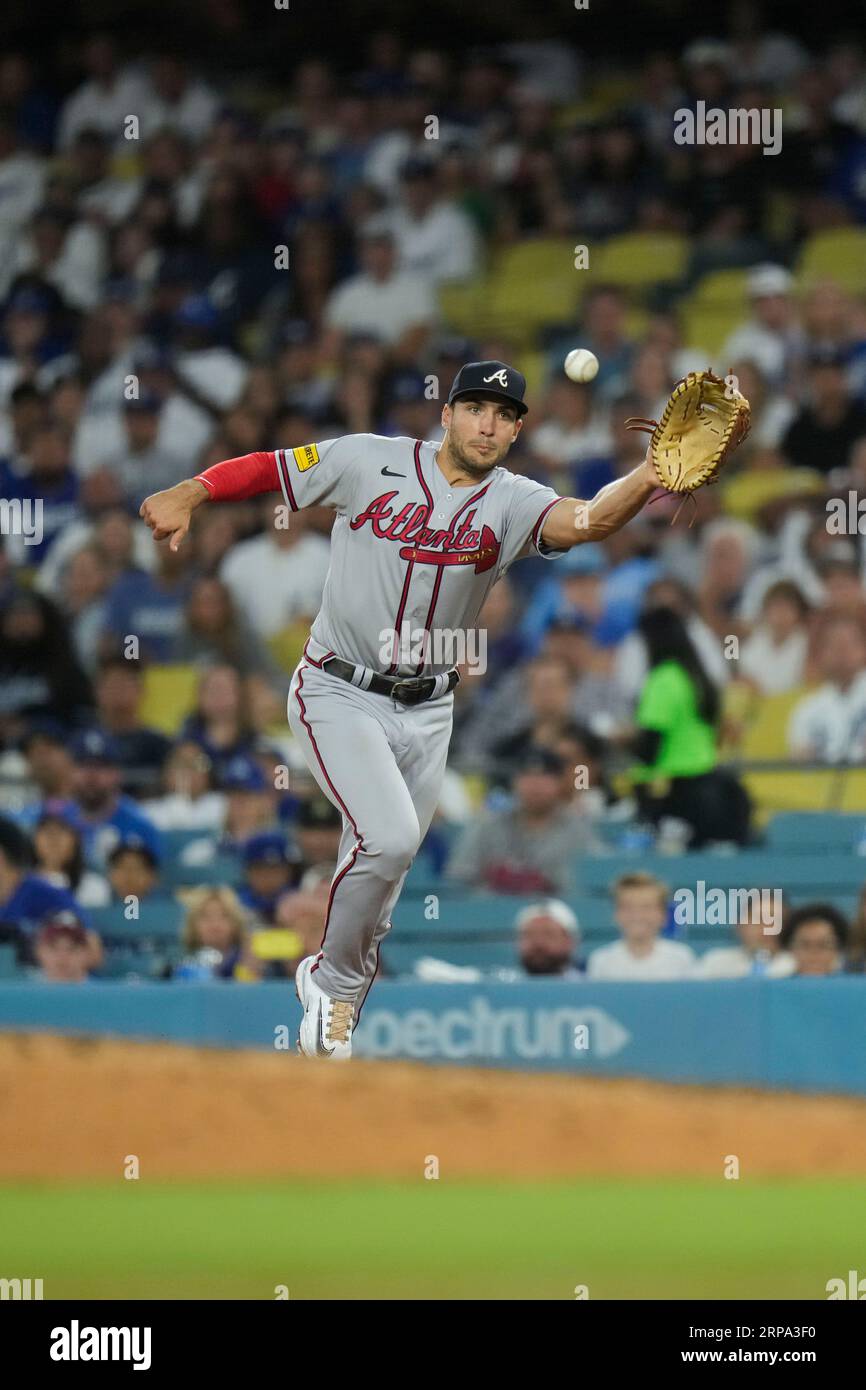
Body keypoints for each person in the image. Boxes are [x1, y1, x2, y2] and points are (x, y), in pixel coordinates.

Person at [140, 358, 668, 1059]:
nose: (489, 424)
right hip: (337, 688)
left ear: (516, 432)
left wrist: (648, 476)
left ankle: (338, 1014)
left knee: (386, 880)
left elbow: (591, 519)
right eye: (476, 408)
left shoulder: (514, 501)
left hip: (430, 709)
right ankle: (327, 982)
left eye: (505, 415)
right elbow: (273, 468)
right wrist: (193, 490)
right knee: (386, 839)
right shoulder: (368, 460)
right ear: (446, 414)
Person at [629, 606, 751, 847]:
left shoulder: (663, 680)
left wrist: (626, 747)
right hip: (712, 785)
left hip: (675, 793)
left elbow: (651, 746)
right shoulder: (696, 677)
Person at [446, 747, 595, 895]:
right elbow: (459, 875)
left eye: (544, 777)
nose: (535, 785)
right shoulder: (488, 824)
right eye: (527, 776)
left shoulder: (577, 828)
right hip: (491, 906)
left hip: (555, 906)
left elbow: (591, 881)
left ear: (560, 782)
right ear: (515, 781)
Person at [588, 872, 696, 981]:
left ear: (663, 915)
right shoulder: (601, 961)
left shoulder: (680, 958)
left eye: (647, 907)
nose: (637, 915)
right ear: (616, 914)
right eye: (628, 907)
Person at [788, 614, 866, 762]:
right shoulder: (808, 708)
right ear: (822, 654)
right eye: (834, 645)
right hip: (823, 776)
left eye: (849, 644)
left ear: (863, 650)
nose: (842, 652)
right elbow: (799, 759)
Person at [696, 912, 795, 978]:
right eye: (760, 919)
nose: (768, 927)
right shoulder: (715, 961)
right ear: (739, 924)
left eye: (777, 921)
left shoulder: (796, 964)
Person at [515, 899, 583, 978]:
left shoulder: (587, 983)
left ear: (569, 941)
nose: (539, 942)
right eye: (530, 935)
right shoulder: (507, 983)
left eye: (549, 934)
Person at [780, 903, 849, 976]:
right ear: (790, 949)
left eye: (824, 945)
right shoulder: (777, 982)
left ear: (839, 950)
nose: (814, 954)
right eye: (804, 945)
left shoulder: (852, 981)